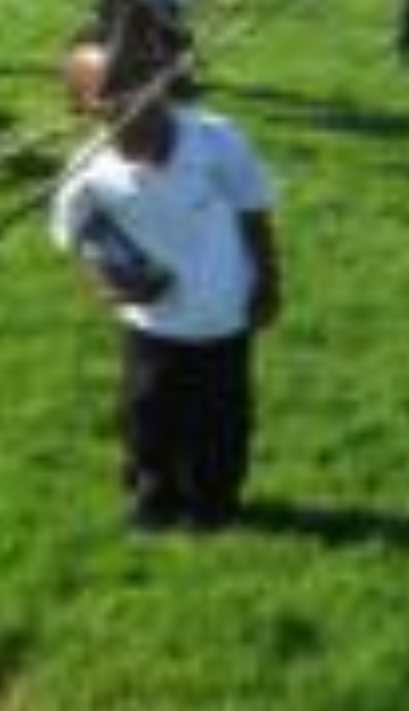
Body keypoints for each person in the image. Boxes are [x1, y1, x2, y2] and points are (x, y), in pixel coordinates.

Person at [51, 33, 280, 533]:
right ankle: (154, 497)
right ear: (82, 107)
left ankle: (214, 501)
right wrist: (109, 281)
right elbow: (77, 234)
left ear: (161, 87)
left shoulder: (216, 138)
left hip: (224, 309)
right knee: (147, 411)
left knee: (222, 414)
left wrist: (267, 284)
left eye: (140, 88)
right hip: (150, 320)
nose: (131, 104)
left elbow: (254, 211)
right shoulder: (87, 169)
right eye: (109, 97)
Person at [87, 0, 235, 95]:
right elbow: (173, 12)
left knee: (138, 31)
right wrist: (185, 43)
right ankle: (105, 80)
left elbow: (165, 11)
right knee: (130, 36)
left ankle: (109, 68)